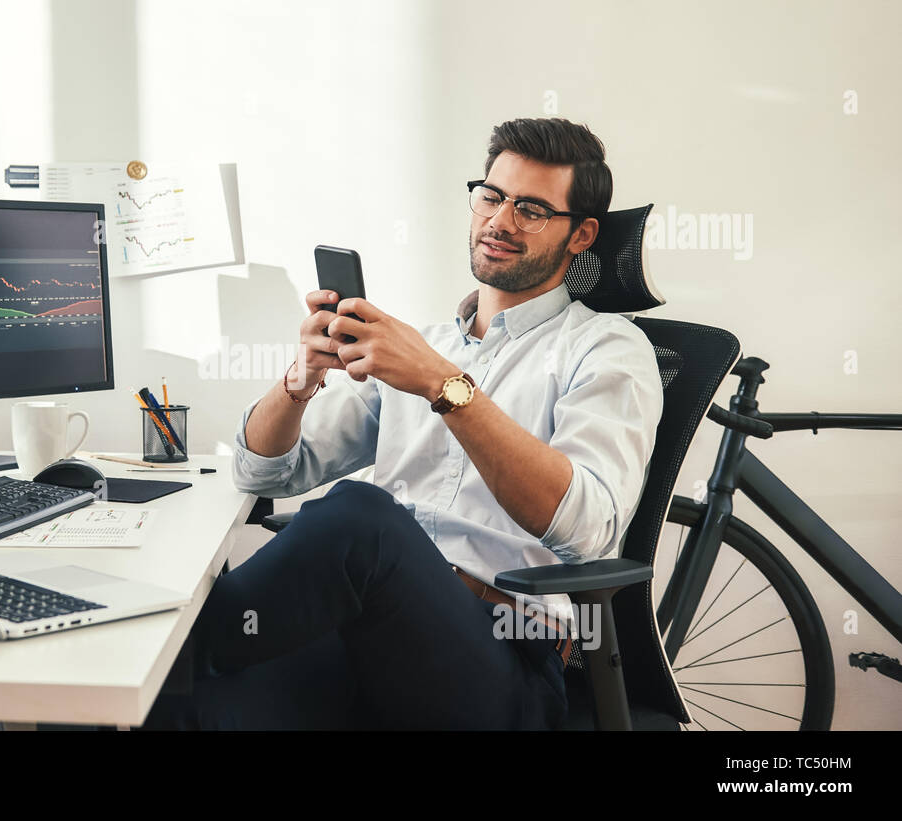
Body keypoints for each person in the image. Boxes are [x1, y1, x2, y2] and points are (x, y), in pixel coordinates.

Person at [145, 117, 664, 730]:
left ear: (581, 234)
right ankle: (156, 675)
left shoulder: (607, 349)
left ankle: (162, 651)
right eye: (492, 197)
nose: (500, 221)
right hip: (366, 636)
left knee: (359, 515)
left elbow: (588, 530)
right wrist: (300, 377)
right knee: (181, 714)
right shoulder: (423, 345)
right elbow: (265, 472)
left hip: (502, 661)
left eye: (531, 208)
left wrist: (445, 389)